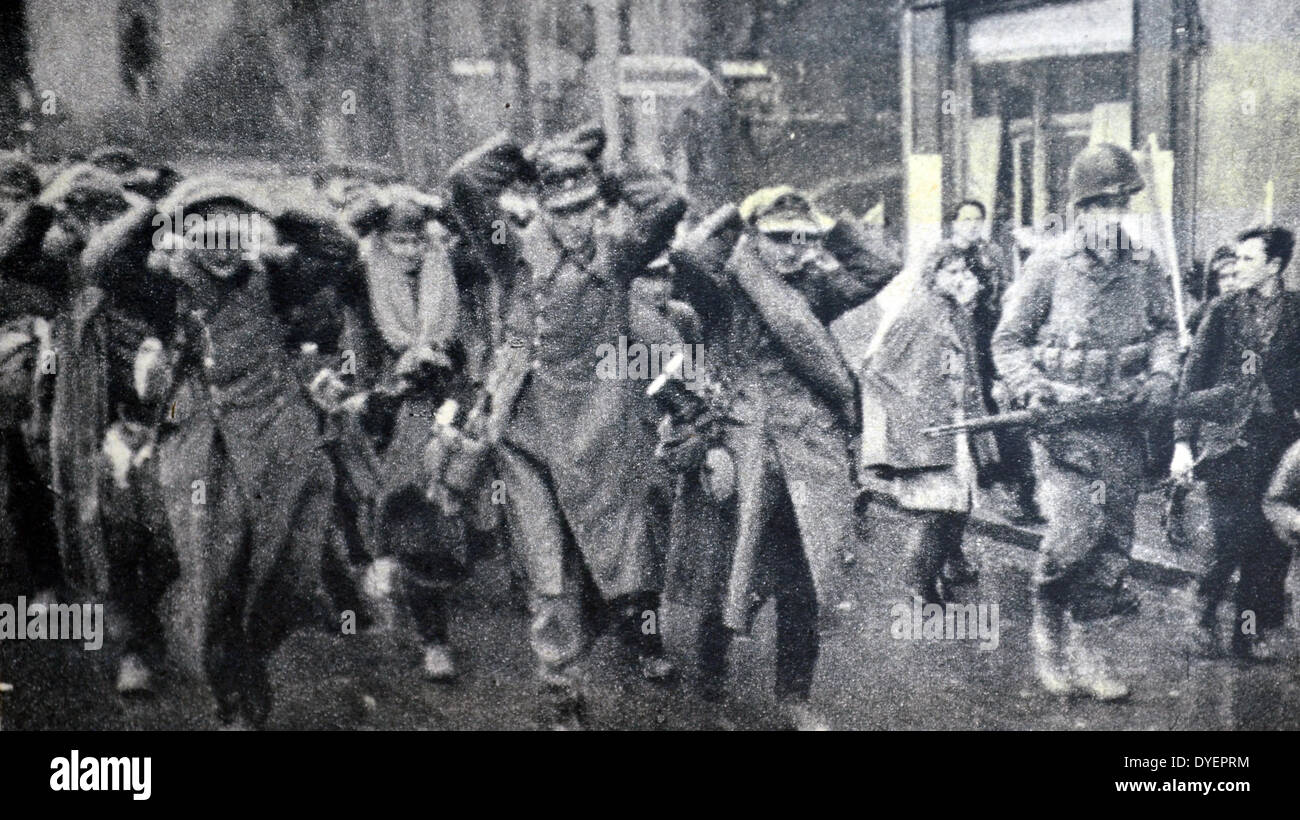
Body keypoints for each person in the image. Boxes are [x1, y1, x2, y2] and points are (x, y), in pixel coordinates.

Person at [442, 125, 685, 728]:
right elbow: (464, 183)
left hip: (604, 435)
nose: (577, 222)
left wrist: (604, 166)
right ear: (543, 208)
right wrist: (525, 157)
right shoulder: (511, 250)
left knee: (623, 574)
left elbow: (667, 202)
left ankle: (625, 637)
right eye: (563, 209)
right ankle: (563, 701)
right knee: (548, 578)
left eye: (587, 207)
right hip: (527, 437)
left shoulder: (620, 252)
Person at [665, 186, 896, 730]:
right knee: (727, 572)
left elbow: (881, 266)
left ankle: (795, 698)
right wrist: (736, 213)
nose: (793, 250)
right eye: (780, 238)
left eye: (803, 239)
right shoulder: (723, 288)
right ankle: (712, 690)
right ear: (753, 237)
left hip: (809, 457)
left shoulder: (815, 290)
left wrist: (832, 226)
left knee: (804, 581)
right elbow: (690, 256)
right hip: (742, 446)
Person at [142, 177, 362, 728]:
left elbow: (340, 249)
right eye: (206, 235)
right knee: (215, 577)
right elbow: (101, 264)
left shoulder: (272, 278)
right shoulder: (166, 281)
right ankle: (234, 690)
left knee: (289, 568)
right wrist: (156, 212)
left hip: (279, 435)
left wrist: (274, 207)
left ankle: (251, 658)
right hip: (205, 446)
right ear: (186, 236)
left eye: (231, 236)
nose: (221, 251)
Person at [993, 142, 1179, 701]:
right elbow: (1008, 341)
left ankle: (1092, 654)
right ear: (1080, 211)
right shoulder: (1049, 263)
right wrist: (1033, 387)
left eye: (1123, 206)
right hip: (1064, 427)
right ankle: (1048, 639)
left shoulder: (1146, 265)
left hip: (1123, 421)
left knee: (1114, 544)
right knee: (1073, 536)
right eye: (1102, 206)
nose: (1114, 218)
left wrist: (1163, 375)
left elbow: (1169, 330)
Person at [344, 185, 468, 681]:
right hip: (382, 412)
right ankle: (433, 640)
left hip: (442, 408)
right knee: (411, 522)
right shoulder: (361, 277)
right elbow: (332, 243)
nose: (411, 251)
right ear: (381, 241)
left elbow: (480, 236)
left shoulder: (447, 270)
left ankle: (405, 586)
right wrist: (365, 210)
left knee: (439, 525)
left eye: (418, 241)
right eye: (399, 242)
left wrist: (442, 208)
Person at [1171, 225, 1300, 660]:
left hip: (1278, 445)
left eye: (1248, 260)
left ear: (1275, 265)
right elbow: (1192, 379)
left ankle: (1246, 634)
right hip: (1227, 444)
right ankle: (1202, 612)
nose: (1238, 267)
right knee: (1230, 536)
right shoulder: (1223, 311)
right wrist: (1183, 442)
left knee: (1267, 547)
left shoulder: (1298, 312)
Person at [860, 241, 997, 605]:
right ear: (933, 275)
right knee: (934, 512)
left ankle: (941, 569)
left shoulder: (954, 312)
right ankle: (918, 584)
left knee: (957, 505)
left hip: (956, 426)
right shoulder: (917, 311)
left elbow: (963, 369)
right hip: (928, 428)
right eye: (951, 272)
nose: (960, 278)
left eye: (964, 271)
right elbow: (877, 369)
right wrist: (911, 408)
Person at [950, 199, 1040, 527]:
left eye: (978, 219)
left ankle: (1019, 490)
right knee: (972, 409)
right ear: (954, 223)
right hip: (961, 341)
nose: (972, 224)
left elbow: (1004, 294)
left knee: (1005, 409)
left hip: (992, 337)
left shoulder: (992, 254)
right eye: (966, 218)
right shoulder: (946, 257)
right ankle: (983, 484)